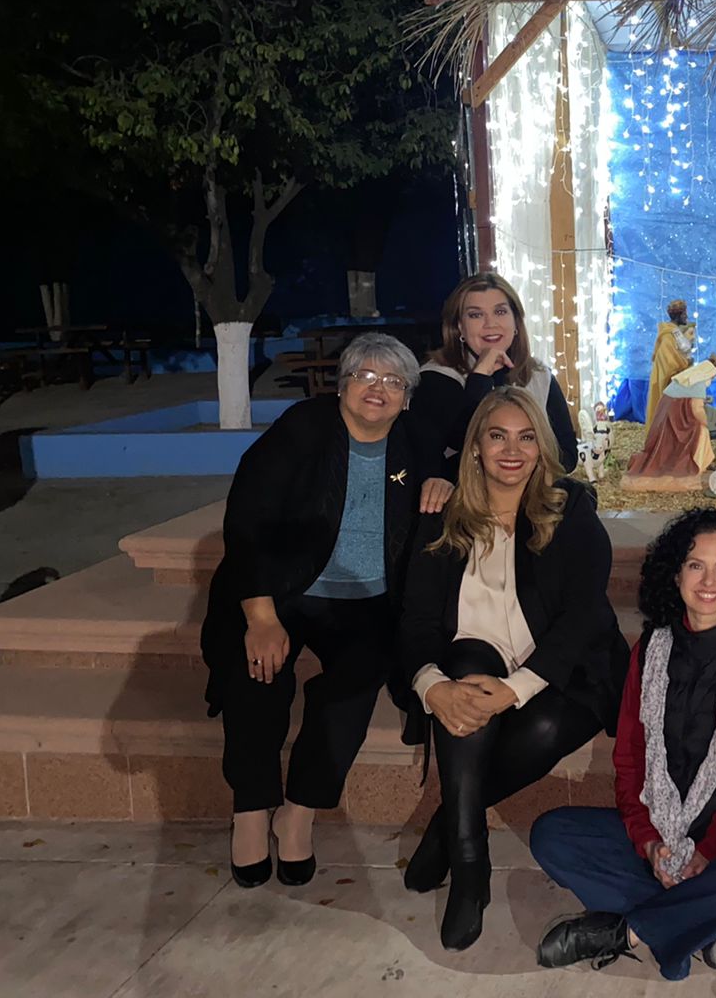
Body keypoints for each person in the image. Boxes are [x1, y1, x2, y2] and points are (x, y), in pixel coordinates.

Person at [398, 386, 629, 951]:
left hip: (566, 670)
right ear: (474, 446)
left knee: (545, 726)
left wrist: (515, 690)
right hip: (472, 663)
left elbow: (581, 618)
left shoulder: (568, 507)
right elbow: (415, 621)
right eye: (497, 435)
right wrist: (433, 688)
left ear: (542, 447)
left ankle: (448, 829)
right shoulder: (442, 515)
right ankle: (472, 865)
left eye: (526, 437)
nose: (512, 450)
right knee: (466, 666)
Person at [530, 509, 716, 979]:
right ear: (675, 574)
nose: (708, 580)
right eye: (695, 565)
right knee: (551, 835)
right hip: (657, 827)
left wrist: (707, 851)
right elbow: (630, 759)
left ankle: (626, 932)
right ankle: (707, 917)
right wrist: (650, 843)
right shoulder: (650, 647)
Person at [200, 332, 423, 889]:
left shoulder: (411, 444)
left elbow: (455, 459)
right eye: (366, 376)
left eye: (393, 382)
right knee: (257, 675)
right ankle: (251, 811)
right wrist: (261, 617)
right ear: (343, 383)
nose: (379, 389)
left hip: (365, 600)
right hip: (282, 590)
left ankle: (298, 812)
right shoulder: (304, 429)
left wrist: (441, 476)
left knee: (355, 683)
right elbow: (247, 516)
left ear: (406, 398)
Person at [406, 272, 577, 517]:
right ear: (459, 327)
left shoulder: (538, 375)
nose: (490, 324)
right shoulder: (436, 378)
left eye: (500, 312)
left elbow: (567, 453)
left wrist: (525, 474)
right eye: (476, 315)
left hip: (529, 504)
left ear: (516, 322)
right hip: (462, 507)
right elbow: (458, 448)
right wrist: (480, 378)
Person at [623, 355, 716, 491]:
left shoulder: (689, 377)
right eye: (713, 377)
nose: (712, 380)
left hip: (670, 413)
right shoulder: (699, 382)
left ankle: (701, 463)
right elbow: (696, 410)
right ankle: (696, 464)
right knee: (700, 432)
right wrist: (706, 423)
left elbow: (689, 400)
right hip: (677, 418)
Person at [647, 299, 697, 426]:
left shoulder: (675, 332)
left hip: (679, 379)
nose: (687, 316)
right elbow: (669, 361)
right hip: (668, 381)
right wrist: (686, 362)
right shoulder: (668, 335)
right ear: (679, 315)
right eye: (685, 313)